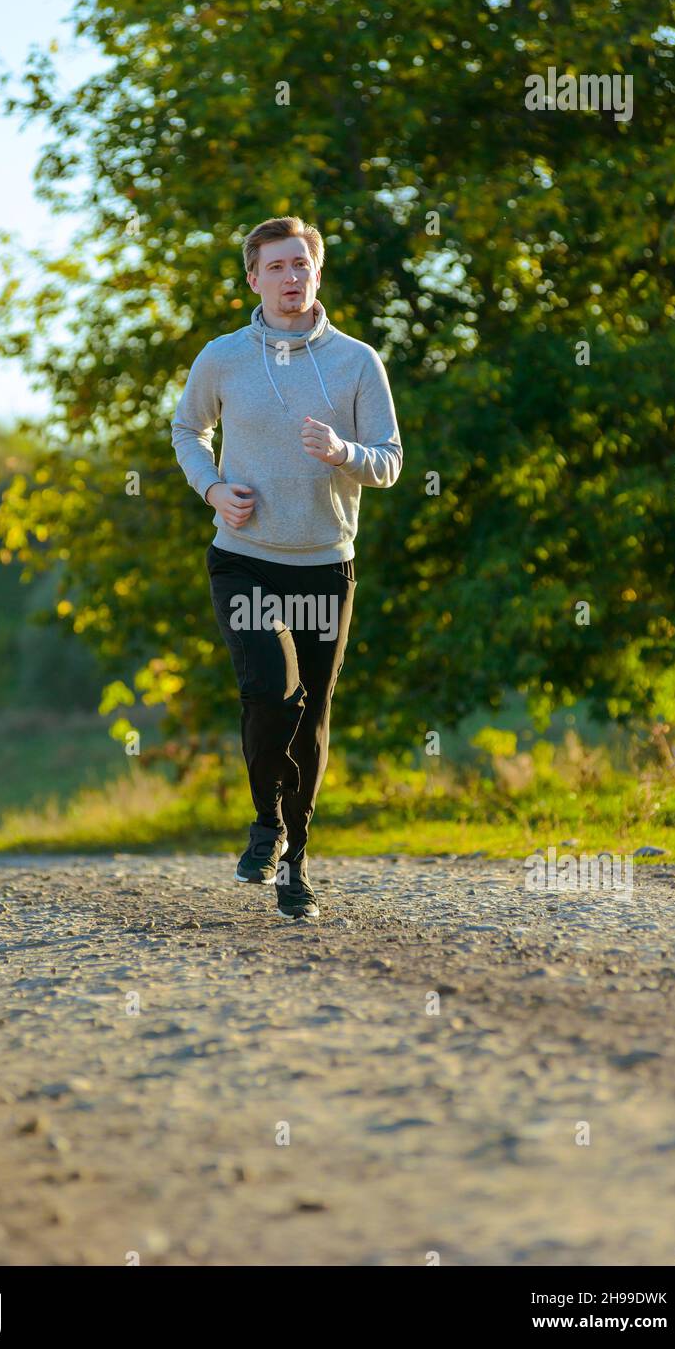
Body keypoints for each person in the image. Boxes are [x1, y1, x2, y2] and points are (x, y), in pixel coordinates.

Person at [171, 216, 402, 918]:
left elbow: (389, 462)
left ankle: (294, 864)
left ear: (318, 273)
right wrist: (211, 487)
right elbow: (187, 429)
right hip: (243, 559)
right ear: (252, 278)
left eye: (301, 264)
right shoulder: (222, 357)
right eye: (275, 266)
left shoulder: (357, 361)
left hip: (325, 564)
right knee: (271, 693)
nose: (290, 277)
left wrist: (343, 454)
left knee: (313, 718)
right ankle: (265, 821)